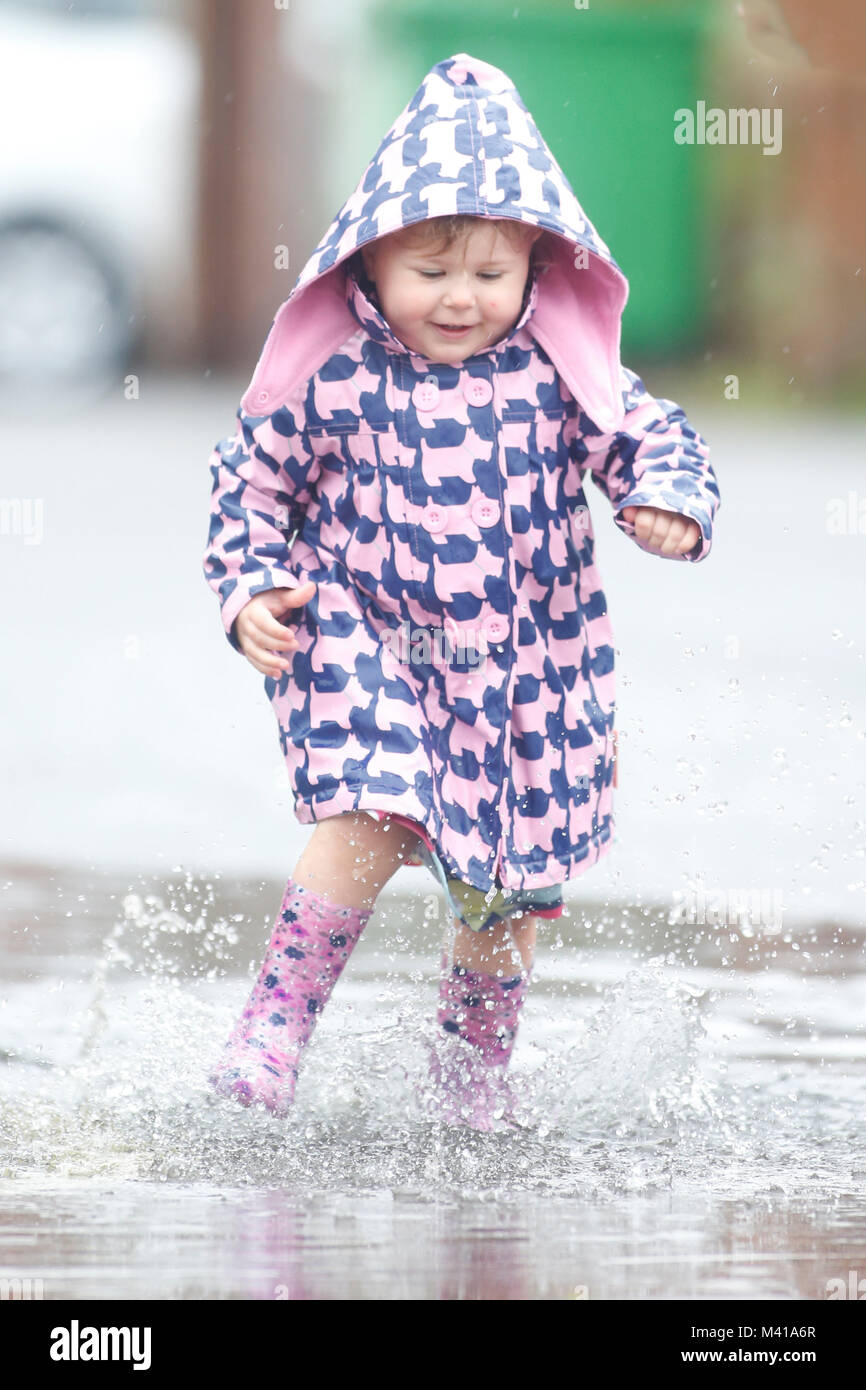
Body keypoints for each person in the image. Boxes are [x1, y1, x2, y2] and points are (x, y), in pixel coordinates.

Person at [202, 53, 720, 1128]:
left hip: (525, 665)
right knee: (372, 805)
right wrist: (251, 582)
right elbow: (247, 480)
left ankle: (470, 1076)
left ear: (536, 264)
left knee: (508, 879)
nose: (459, 296)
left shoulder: (554, 367)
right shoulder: (336, 370)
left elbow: (648, 433)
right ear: (371, 254)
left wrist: (663, 495)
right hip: (363, 636)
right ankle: (273, 1027)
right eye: (429, 268)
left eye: (490, 271)